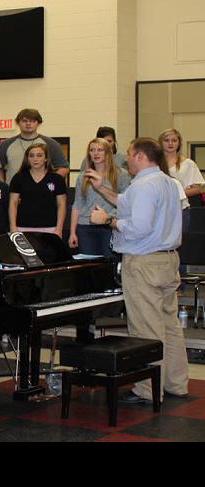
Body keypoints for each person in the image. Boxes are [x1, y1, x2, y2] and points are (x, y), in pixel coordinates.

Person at [86, 137, 188, 404]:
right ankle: (175, 383)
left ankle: (148, 389)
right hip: (167, 260)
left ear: (141, 156)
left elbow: (139, 226)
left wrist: (106, 219)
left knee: (145, 328)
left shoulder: (143, 185)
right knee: (170, 325)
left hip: (144, 262)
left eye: (130, 155)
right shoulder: (167, 182)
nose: (126, 160)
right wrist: (103, 189)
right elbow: (126, 201)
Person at [69, 138, 130, 257]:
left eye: (100, 150)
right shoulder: (83, 176)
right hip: (85, 226)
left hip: (109, 226)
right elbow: (77, 204)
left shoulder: (121, 174)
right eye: (92, 150)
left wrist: (110, 217)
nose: (96, 153)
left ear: (108, 152)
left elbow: (125, 201)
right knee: (89, 266)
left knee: (109, 264)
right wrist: (72, 232)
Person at [8, 144, 67, 237]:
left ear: (46, 158)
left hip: (50, 228)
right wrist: (13, 227)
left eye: (39, 155)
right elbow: (13, 203)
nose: (35, 159)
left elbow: (61, 205)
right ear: (27, 158)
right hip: (23, 227)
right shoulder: (18, 178)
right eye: (31, 156)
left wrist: (59, 229)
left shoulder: (57, 179)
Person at [0, 109, 69, 181]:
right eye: (24, 121)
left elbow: (64, 168)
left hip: (43, 191)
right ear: (18, 123)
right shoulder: (6, 145)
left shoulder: (51, 144)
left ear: (38, 123)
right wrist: (4, 187)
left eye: (32, 121)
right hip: (13, 191)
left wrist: (49, 183)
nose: (28, 124)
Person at [159, 128, 204, 231]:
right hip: (159, 208)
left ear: (179, 143)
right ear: (160, 142)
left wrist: (176, 193)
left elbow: (198, 189)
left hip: (181, 209)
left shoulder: (188, 164)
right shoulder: (154, 163)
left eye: (174, 140)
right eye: (166, 140)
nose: (170, 143)